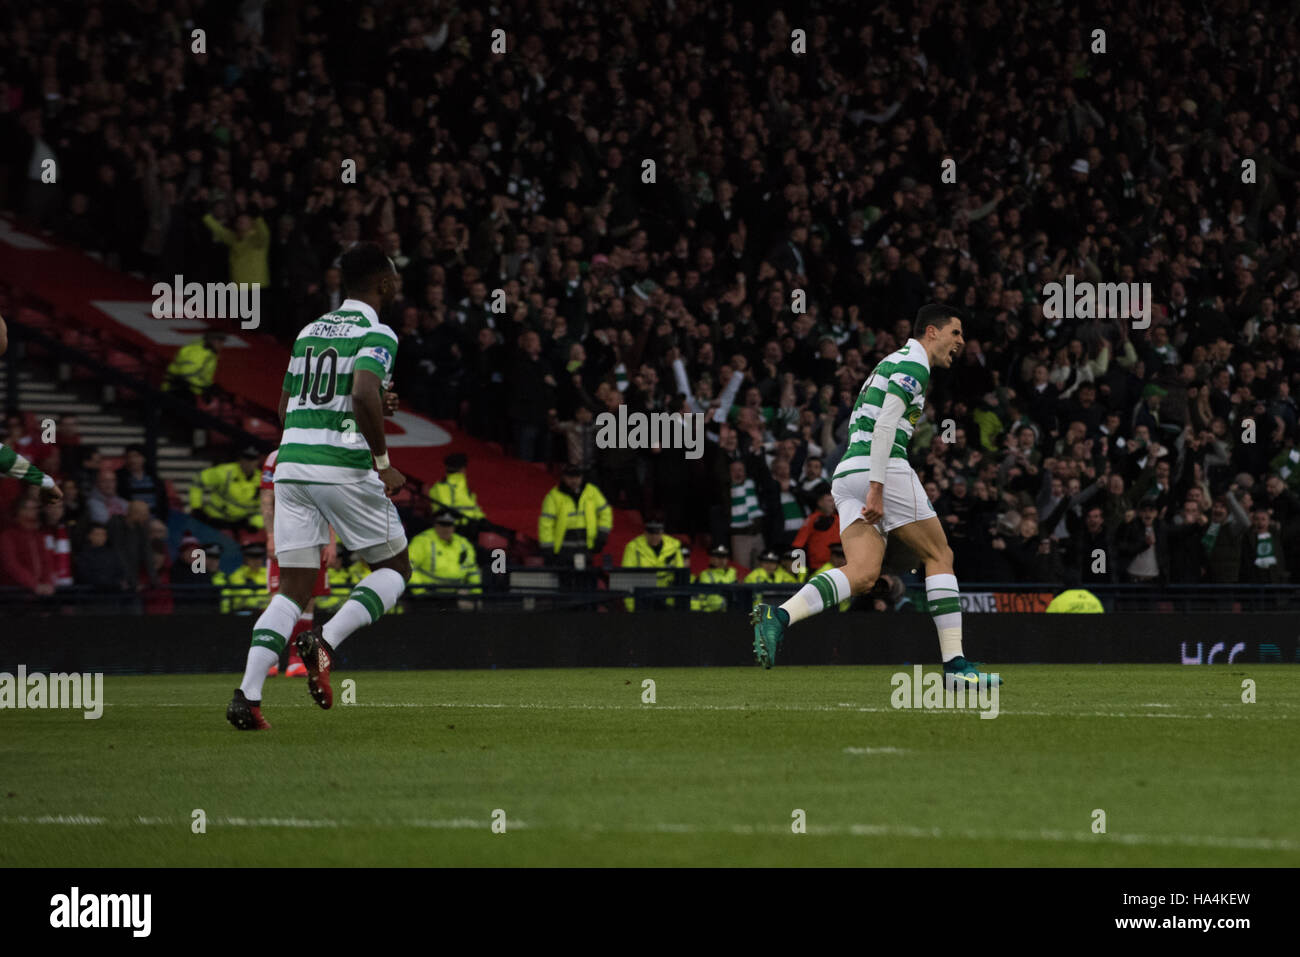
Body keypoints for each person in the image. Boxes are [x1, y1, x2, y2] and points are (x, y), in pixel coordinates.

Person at [751, 303, 1000, 687]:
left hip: (847, 471)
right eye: (956, 333)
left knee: (863, 575)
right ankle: (955, 667)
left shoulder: (889, 363)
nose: (961, 342)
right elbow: (885, 426)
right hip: (878, 468)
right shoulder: (914, 365)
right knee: (940, 555)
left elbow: (861, 420)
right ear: (931, 332)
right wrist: (878, 488)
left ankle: (778, 616)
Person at [228, 242, 412, 731]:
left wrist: (367, 407)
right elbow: (363, 391)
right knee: (394, 567)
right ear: (384, 283)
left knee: (291, 589)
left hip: (290, 466)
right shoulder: (378, 331)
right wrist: (383, 461)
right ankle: (324, 642)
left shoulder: (310, 331)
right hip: (341, 466)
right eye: (394, 279)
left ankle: (247, 696)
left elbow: (288, 409)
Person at [537, 464, 612, 565]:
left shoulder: (592, 492)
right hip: (563, 551)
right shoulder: (553, 496)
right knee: (566, 578)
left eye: (577, 476)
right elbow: (546, 524)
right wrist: (548, 548)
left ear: (582, 477)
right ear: (563, 477)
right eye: (570, 477)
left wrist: (602, 534)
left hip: (587, 548)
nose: (574, 480)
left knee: (586, 579)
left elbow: (606, 513)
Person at [409, 508, 483, 607]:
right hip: (428, 595)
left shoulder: (463, 543)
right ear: (435, 525)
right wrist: (419, 592)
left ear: (454, 527)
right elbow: (409, 565)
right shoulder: (422, 541)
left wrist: (476, 593)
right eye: (442, 524)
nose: (446, 529)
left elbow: (472, 570)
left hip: (454, 595)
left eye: (449, 525)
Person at [188, 449, 265, 532]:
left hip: (241, 524)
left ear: (257, 462)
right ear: (240, 460)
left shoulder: (263, 480)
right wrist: (196, 507)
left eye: (252, 460)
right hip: (216, 520)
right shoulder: (225, 472)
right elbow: (198, 480)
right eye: (246, 459)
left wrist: (255, 522)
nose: (248, 463)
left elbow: (262, 506)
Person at [620, 518, 686, 610]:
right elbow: (626, 580)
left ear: (662, 533)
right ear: (645, 533)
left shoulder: (674, 546)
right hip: (643, 599)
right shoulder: (632, 547)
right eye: (651, 533)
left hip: (668, 599)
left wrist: (677, 605)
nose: (654, 537)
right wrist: (632, 608)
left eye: (657, 533)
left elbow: (681, 576)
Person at [164, 330, 225, 397]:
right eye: (219, 341)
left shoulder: (209, 353)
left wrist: (209, 385)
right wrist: (206, 386)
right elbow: (186, 374)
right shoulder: (200, 352)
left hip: (187, 390)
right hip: (179, 390)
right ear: (211, 340)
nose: (222, 345)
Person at [691, 544, 736, 612]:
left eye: (724, 557)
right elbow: (696, 598)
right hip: (709, 613)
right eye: (718, 557)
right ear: (711, 558)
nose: (721, 560)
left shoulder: (732, 573)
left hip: (730, 613)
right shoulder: (704, 575)